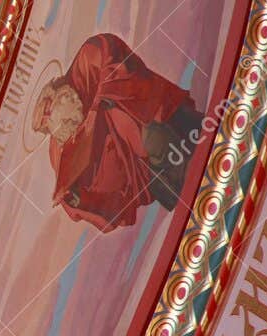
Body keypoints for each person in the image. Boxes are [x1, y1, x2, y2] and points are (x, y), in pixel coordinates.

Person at [33, 33, 200, 232]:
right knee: (167, 169)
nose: (71, 127)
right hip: (144, 171)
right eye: (64, 127)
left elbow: (111, 55)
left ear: (61, 95)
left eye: (67, 120)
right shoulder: (61, 152)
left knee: (154, 139)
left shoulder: (87, 60)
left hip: (149, 118)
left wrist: (98, 106)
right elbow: (101, 197)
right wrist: (82, 200)